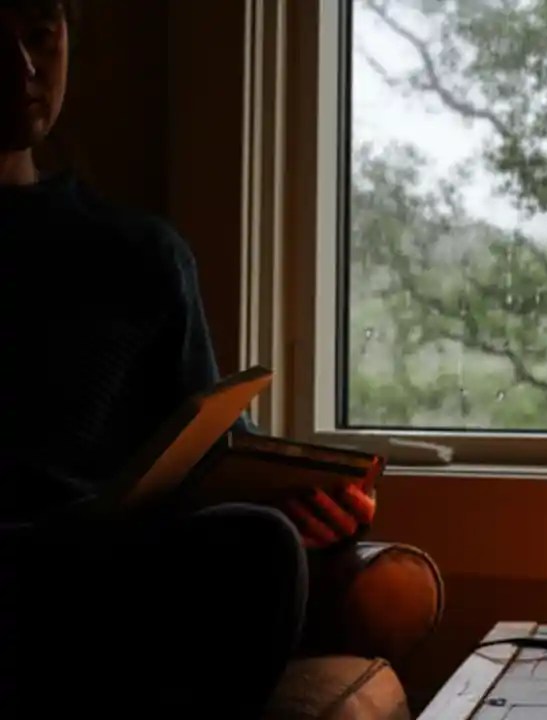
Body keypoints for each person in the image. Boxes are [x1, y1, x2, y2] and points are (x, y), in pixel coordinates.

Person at [0, 1, 376, 715]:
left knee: (256, 541)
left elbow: (211, 456)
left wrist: (309, 502)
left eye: (40, 34)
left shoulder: (137, 256)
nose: (23, 68)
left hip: (96, 578)